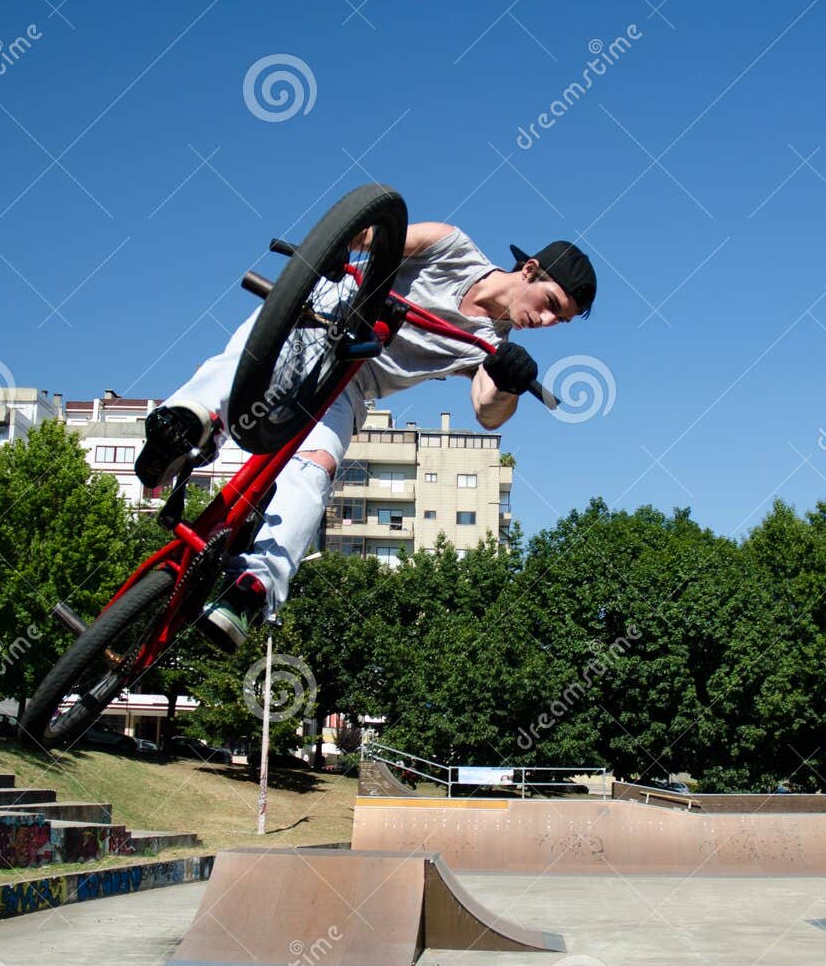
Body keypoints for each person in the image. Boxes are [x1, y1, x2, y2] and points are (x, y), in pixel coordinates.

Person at [136, 224, 597, 651]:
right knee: (256, 353)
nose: (548, 321)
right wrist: (327, 251)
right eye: (551, 304)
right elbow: (370, 234)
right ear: (530, 270)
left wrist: (511, 383)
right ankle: (185, 424)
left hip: (348, 385)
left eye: (561, 320)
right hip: (316, 319)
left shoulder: (491, 347)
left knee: (317, 470)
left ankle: (253, 588)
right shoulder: (450, 247)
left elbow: (487, 410)